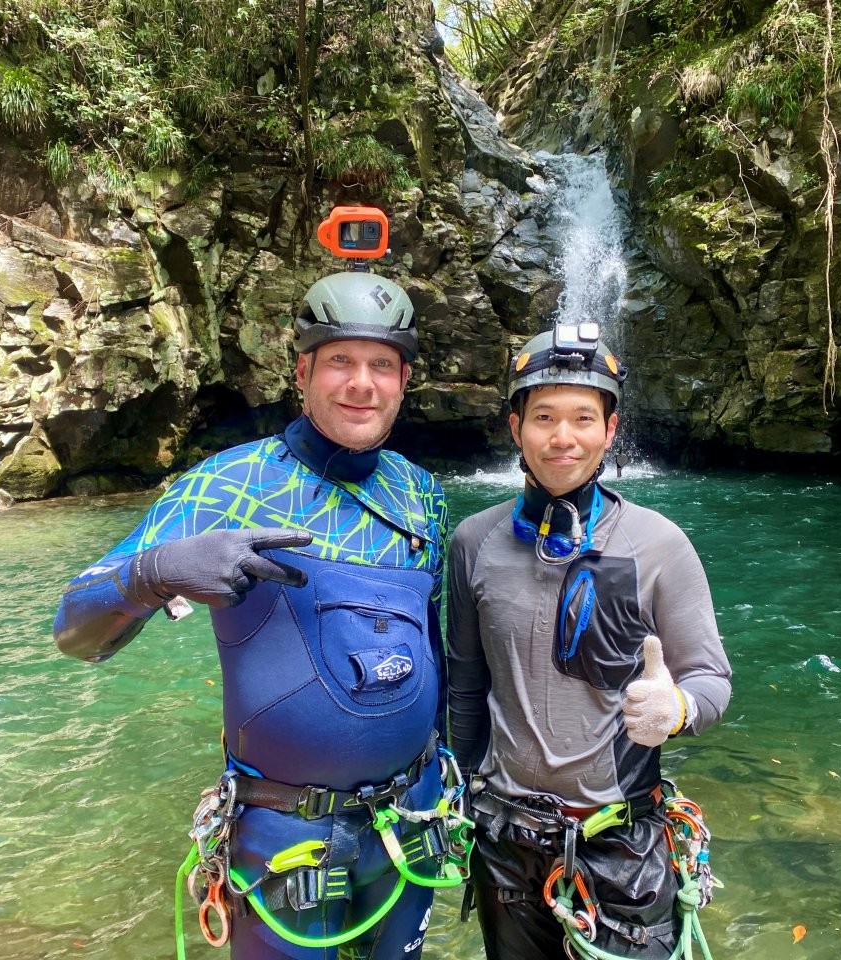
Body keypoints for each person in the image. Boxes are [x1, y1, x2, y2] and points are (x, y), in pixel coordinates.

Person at [52, 269, 470, 960]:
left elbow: (432, 644)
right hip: (285, 830)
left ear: (403, 382)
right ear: (302, 370)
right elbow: (75, 633)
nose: (361, 383)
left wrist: (455, 774)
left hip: (412, 813)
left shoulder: (419, 491)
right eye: (340, 361)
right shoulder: (228, 483)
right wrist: (152, 574)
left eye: (381, 366)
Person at [447, 322, 732, 960]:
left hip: (620, 845)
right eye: (544, 416)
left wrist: (677, 709)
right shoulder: (473, 542)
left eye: (583, 417)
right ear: (515, 427)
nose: (563, 437)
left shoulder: (659, 544)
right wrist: (458, 795)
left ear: (610, 429)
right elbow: (467, 687)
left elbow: (711, 680)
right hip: (504, 840)